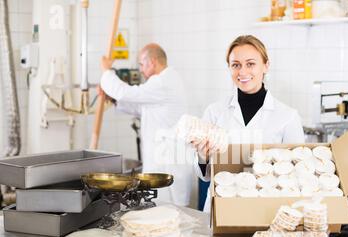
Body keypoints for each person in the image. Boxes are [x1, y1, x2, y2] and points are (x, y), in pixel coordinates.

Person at [192, 35, 305, 212]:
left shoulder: (288, 117)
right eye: (236, 65)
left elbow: (299, 174)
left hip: (266, 211)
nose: (242, 72)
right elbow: (204, 176)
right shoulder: (214, 112)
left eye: (250, 64)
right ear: (229, 68)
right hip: (221, 209)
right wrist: (202, 156)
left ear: (266, 66)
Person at [99, 43, 193, 207]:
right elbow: (141, 107)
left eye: (142, 64)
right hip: (165, 158)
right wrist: (112, 98)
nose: (141, 69)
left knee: (168, 210)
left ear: (153, 61)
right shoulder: (166, 81)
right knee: (163, 210)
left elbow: (126, 93)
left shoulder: (162, 81)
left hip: (167, 162)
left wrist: (107, 72)